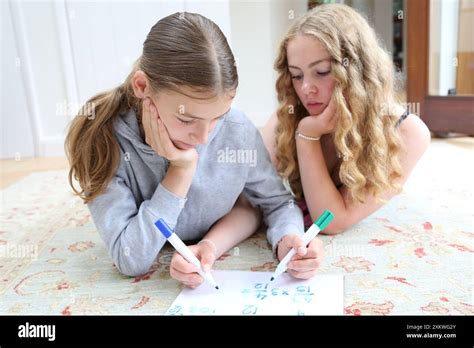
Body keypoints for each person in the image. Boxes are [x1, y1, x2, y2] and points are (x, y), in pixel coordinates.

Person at [65, 12, 324, 288]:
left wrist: (288, 239)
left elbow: (277, 202)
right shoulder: (105, 142)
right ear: (142, 87)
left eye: (217, 117)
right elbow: (130, 258)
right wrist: (181, 169)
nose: (202, 138)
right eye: (186, 119)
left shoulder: (237, 129)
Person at [262, 4, 431, 234]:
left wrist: (307, 136)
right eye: (296, 75)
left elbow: (330, 221)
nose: (306, 88)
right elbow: (248, 192)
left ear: (357, 72)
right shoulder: (289, 114)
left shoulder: (406, 132)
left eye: (321, 71)